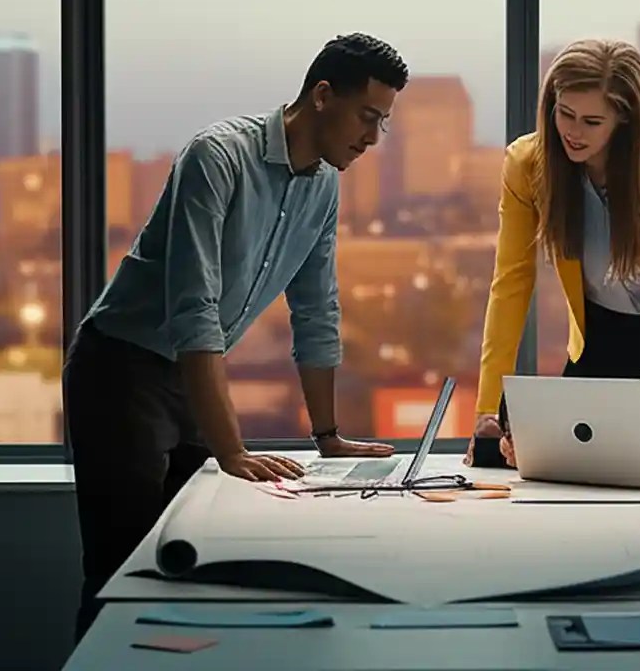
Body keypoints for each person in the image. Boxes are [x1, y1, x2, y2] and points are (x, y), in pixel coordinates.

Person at [62, 33, 406, 641]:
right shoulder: (217, 157)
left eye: (383, 123)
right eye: (368, 117)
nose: (373, 138)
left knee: (200, 562)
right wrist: (230, 449)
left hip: (194, 376)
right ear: (324, 96)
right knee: (124, 573)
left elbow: (316, 309)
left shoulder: (324, 185)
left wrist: (326, 437)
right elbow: (194, 310)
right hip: (122, 373)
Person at [464, 38, 640, 468]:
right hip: (599, 343)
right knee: (569, 483)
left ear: (624, 121)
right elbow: (510, 284)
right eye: (564, 113)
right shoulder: (527, 163)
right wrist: (486, 407)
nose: (572, 131)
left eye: (591, 121)